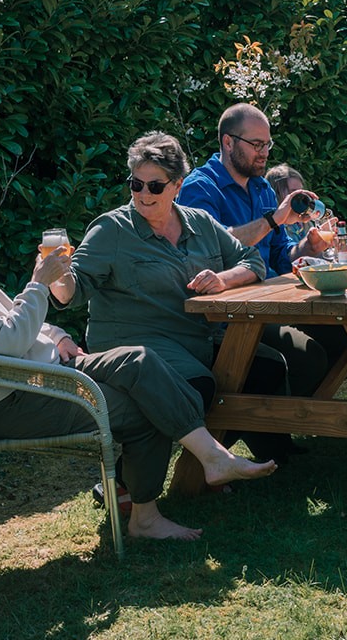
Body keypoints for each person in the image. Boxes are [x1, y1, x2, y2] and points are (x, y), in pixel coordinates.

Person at [0, 177, 275, 542]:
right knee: (145, 407)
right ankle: (150, 514)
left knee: (139, 359)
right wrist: (39, 283)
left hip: (39, 374)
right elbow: (6, 341)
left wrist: (57, 335)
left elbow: (5, 324)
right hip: (14, 399)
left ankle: (210, 460)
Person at [50, 131, 303, 462]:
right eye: (135, 184)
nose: (143, 194)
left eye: (155, 186)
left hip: (195, 334)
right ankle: (142, 477)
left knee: (267, 367)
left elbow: (252, 260)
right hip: (138, 342)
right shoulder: (111, 229)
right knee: (198, 385)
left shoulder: (198, 221)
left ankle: (278, 459)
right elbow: (73, 289)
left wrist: (223, 279)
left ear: (177, 186)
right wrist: (55, 277)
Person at [178, 103, 347, 395]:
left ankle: (296, 418)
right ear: (228, 142)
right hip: (228, 315)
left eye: (267, 144)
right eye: (256, 144)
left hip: (273, 301)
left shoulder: (261, 188)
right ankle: (268, 429)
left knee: (345, 336)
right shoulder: (201, 188)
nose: (265, 152)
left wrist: (309, 246)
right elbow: (213, 247)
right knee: (309, 356)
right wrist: (274, 219)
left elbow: (282, 256)